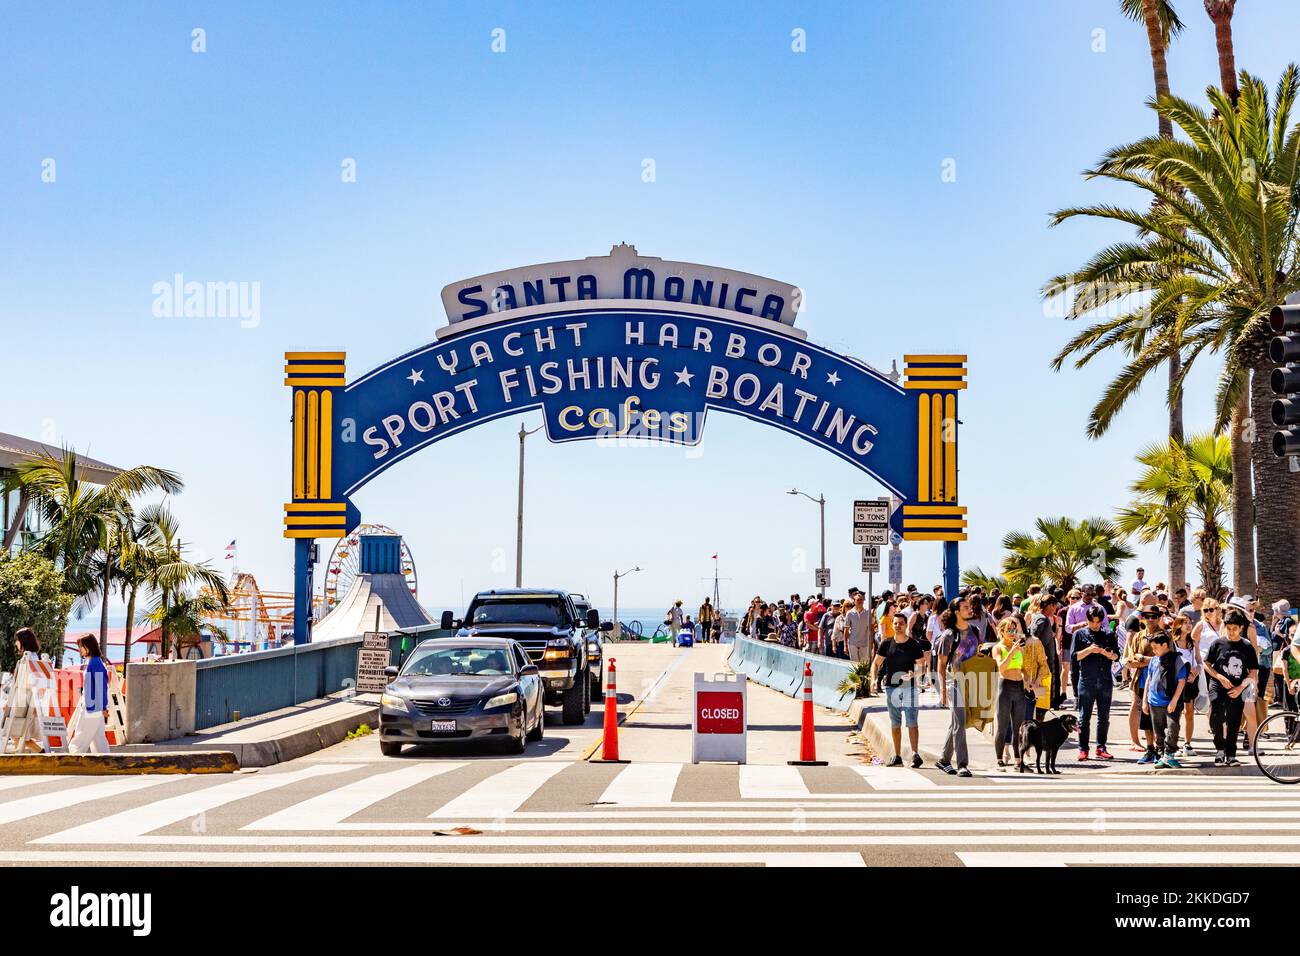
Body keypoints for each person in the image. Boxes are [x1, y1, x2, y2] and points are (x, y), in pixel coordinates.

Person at [1202, 608, 1260, 767]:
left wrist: (1241, 687)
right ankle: (1220, 749)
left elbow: (1253, 672)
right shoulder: (1218, 643)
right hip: (1217, 685)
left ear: (1241, 628)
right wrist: (1219, 676)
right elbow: (1206, 664)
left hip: (1238, 687)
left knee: (1234, 721)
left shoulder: (1247, 646)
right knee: (1216, 717)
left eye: (1235, 628)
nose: (1232, 631)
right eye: (1229, 628)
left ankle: (1231, 754)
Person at [872, 613, 928, 768]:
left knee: (912, 721)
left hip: (909, 687)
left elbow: (923, 666)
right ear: (892, 625)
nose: (898, 626)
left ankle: (915, 754)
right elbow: (876, 663)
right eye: (895, 623)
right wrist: (873, 679)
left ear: (905, 625)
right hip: (891, 687)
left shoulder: (914, 644)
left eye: (901, 623)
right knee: (895, 723)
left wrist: (914, 674)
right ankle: (897, 756)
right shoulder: (886, 644)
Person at [936, 599, 980, 778]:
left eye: (970, 606)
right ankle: (962, 764)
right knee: (960, 721)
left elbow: (978, 656)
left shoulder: (975, 631)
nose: (970, 609)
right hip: (954, 681)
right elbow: (941, 665)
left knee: (957, 722)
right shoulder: (948, 636)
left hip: (972, 680)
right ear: (956, 612)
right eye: (966, 607)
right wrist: (943, 693)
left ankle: (944, 760)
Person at [1073, 605, 1119, 761]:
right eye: (1092, 622)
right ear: (1087, 620)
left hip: (1105, 679)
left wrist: (1107, 653)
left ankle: (1101, 747)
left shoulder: (1109, 634)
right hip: (1086, 680)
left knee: (1103, 717)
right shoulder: (1079, 634)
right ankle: (1083, 748)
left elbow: (1116, 657)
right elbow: (1074, 657)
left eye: (1098, 622)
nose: (1095, 625)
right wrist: (1089, 650)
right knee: (1083, 717)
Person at [1142, 630, 1187, 769]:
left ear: (1165, 645)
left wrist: (1174, 701)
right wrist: (1145, 700)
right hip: (1154, 702)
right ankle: (1162, 755)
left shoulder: (1176, 659)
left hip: (1170, 701)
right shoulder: (1154, 660)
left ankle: (1170, 754)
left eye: (1156, 647)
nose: (1153, 650)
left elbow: (1181, 681)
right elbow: (1148, 680)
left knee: (1173, 727)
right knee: (1158, 730)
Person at [991, 617, 1031, 769]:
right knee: (1002, 726)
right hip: (1005, 687)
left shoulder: (1019, 647)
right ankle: (999, 759)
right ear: (1002, 631)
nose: (1013, 633)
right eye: (1009, 630)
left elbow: (1022, 667)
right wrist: (1012, 651)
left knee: (1019, 727)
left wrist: (1027, 678)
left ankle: (1018, 760)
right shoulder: (998, 648)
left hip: (1018, 686)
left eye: (1014, 629)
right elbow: (1001, 668)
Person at [67, 633, 112, 756]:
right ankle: (107, 763)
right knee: (99, 742)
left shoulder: (95, 663)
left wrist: (103, 707)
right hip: (95, 708)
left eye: (81, 646)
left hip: (91, 708)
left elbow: (101, 687)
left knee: (79, 740)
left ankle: (71, 762)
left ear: (88, 647)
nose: (79, 649)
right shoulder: (95, 662)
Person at [1, 628, 45, 753]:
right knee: (20, 734)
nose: (16, 643)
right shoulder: (35, 658)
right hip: (28, 701)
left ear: (23, 641)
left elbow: (23, 684)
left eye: (17, 640)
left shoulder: (27, 659)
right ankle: (32, 754)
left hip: (23, 702)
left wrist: (10, 703)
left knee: (15, 731)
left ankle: (38, 753)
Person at [1171, 614, 1203, 757]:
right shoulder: (1173, 643)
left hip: (1190, 682)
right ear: (1178, 625)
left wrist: (1196, 671)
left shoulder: (1193, 642)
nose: (1189, 625)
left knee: (1189, 711)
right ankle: (1173, 743)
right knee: (1175, 713)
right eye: (1185, 623)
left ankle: (1187, 743)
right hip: (1176, 681)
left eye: (1190, 622)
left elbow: (1199, 661)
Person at [844, 592, 872, 667]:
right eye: (858, 600)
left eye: (861, 600)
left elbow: (871, 629)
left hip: (865, 643)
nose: (860, 601)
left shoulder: (868, 612)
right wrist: (845, 645)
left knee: (864, 666)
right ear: (854, 601)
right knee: (854, 666)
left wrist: (871, 644)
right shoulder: (849, 613)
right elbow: (846, 630)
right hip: (853, 643)